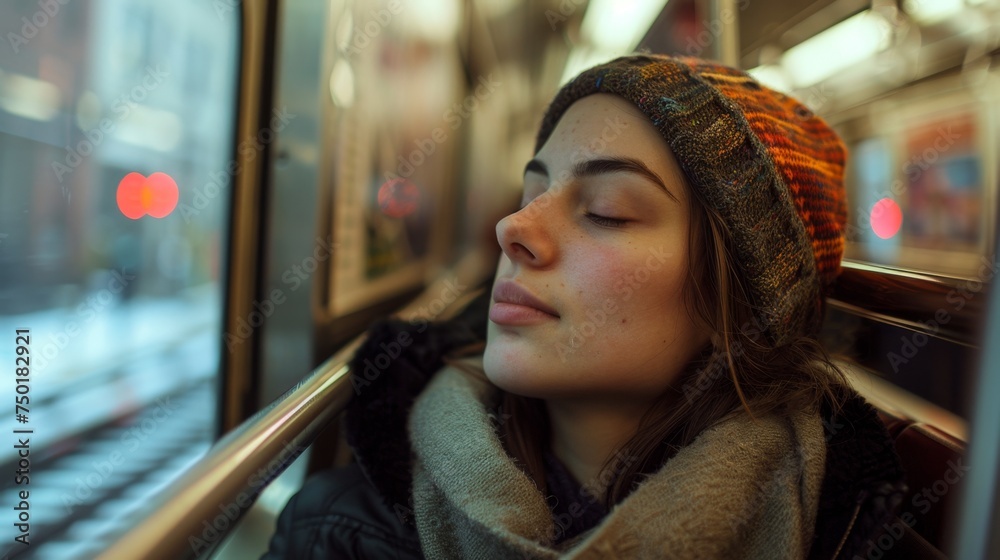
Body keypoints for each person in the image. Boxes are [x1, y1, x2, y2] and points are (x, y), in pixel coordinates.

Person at [262, 54, 906, 559]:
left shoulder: (852, 528)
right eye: (531, 192)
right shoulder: (339, 532)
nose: (513, 229)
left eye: (606, 211)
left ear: (736, 311)